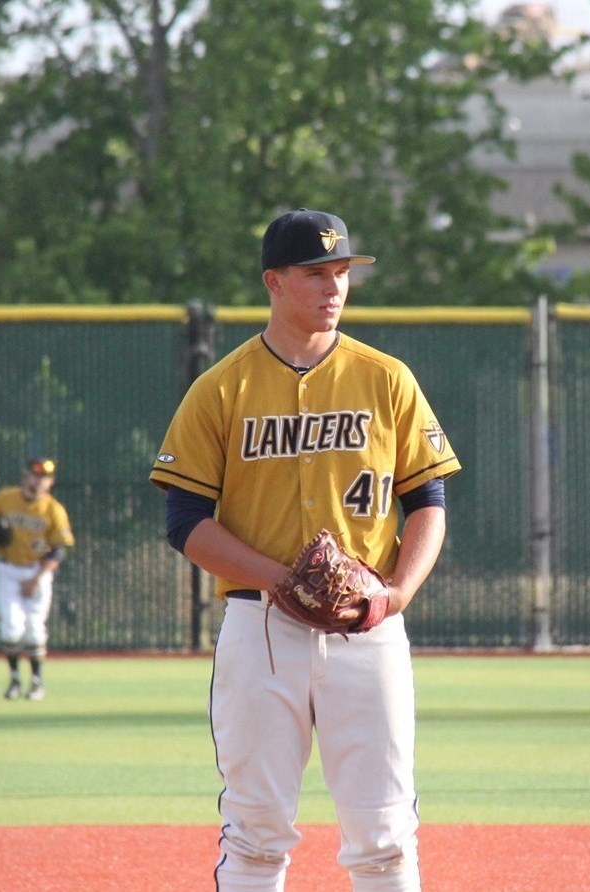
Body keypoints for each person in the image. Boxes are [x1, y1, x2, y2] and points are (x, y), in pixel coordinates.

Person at [149, 208, 460, 891]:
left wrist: (396, 594)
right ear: (274, 282)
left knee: (384, 838)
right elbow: (184, 520)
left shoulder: (386, 379)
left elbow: (429, 502)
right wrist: (281, 577)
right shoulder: (221, 388)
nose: (334, 286)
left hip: (369, 628)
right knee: (256, 833)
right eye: (315, 273)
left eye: (343, 271)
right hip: (261, 626)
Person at [0, 457, 75, 701]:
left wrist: (36, 579)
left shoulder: (53, 510)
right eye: (35, 475)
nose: (38, 481)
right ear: (25, 476)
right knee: (11, 628)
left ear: (50, 482)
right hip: (8, 569)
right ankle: (15, 680)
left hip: (37, 572)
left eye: (44, 477)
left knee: (34, 631)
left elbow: (59, 550)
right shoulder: (5, 498)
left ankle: (37, 683)